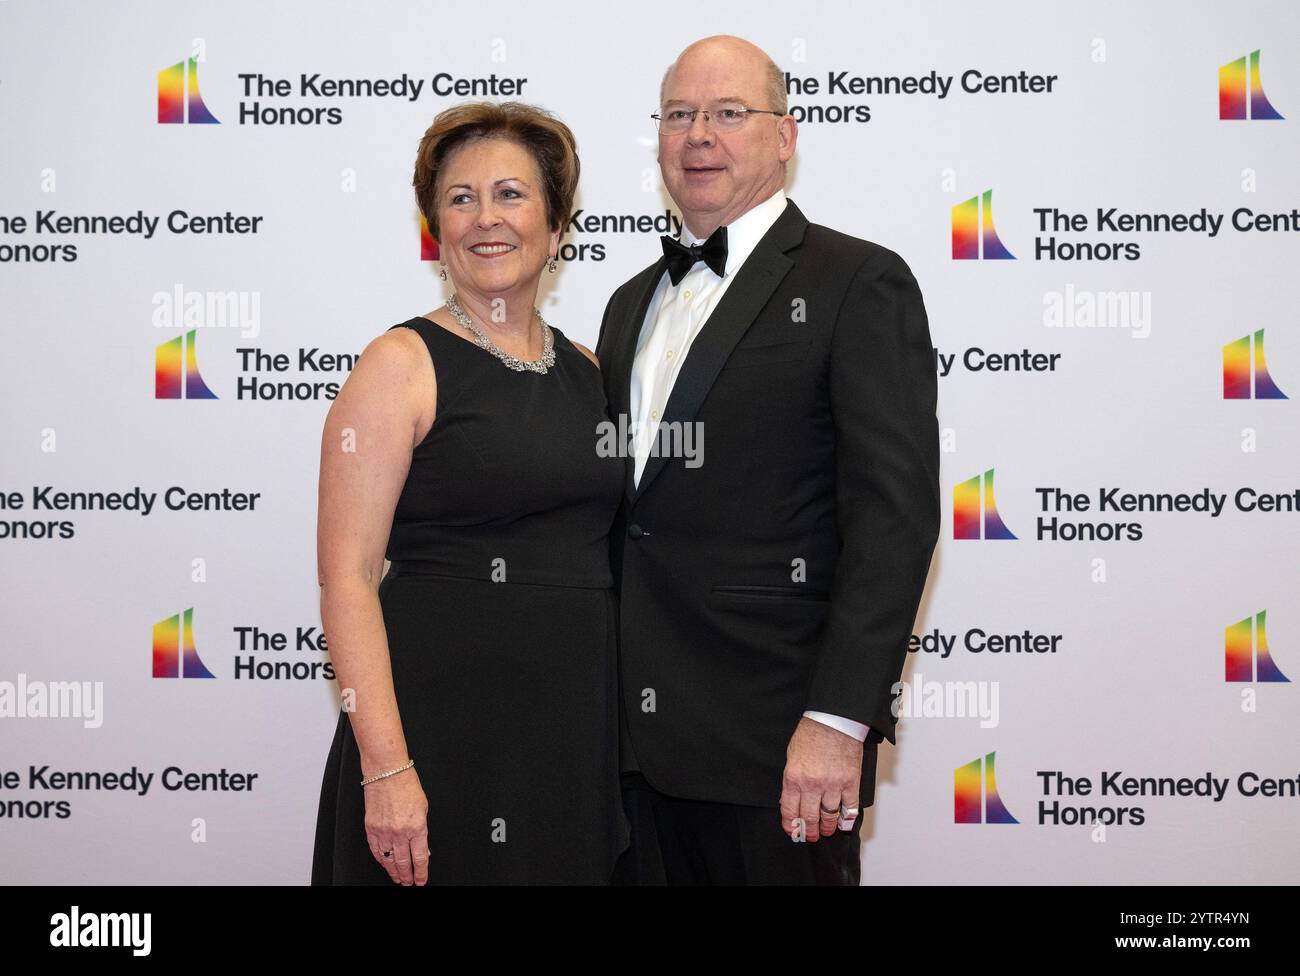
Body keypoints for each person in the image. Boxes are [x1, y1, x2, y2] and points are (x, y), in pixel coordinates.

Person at [596, 35, 941, 885]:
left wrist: (837, 722)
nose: (698, 135)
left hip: (778, 750)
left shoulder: (858, 282)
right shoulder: (626, 302)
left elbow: (894, 521)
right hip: (627, 757)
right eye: (679, 115)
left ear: (785, 137)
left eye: (727, 113)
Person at [311, 101, 628, 885]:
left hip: (572, 742)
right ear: (436, 228)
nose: (487, 217)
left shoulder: (593, 370)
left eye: (512, 194)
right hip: (435, 739)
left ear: (557, 227)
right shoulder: (400, 363)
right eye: (461, 198)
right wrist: (386, 770)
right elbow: (347, 580)